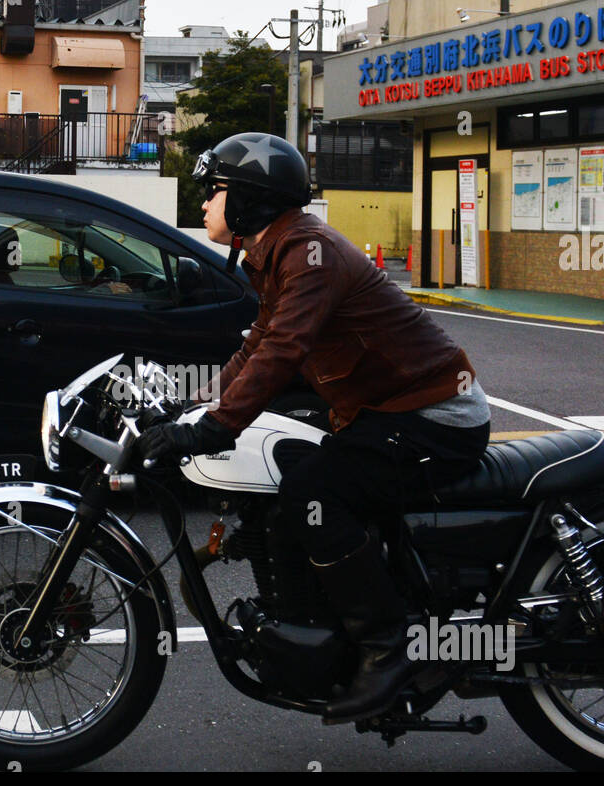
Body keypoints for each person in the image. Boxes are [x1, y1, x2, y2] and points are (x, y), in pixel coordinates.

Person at [139, 132, 491, 724]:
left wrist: (214, 429)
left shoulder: (307, 255)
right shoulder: (280, 251)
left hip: (434, 417)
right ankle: (322, 628)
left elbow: (282, 350)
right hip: (389, 413)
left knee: (314, 493)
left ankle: (388, 646)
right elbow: (256, 345)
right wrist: (191, 411)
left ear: (248, 200)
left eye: (214, 191)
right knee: (290, 489)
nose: (204, 205)